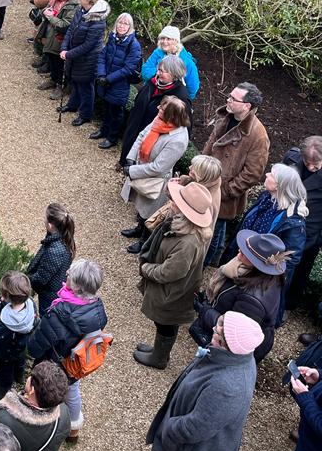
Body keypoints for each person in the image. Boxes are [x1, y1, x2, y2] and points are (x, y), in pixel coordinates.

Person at [146, 310, 264, 451]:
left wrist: (169, 426)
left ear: (232, 347)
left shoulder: (228, 386)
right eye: (220, 325)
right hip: (200, 448)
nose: (214, 331)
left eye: (220, 335)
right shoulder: (239, 358)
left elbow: (195, 428)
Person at [133, 181, 213, 369]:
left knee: (165, 323)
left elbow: (169, 272)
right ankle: (158, 351)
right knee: (164, 323)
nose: (171, 202)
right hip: (171, 291)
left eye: (176, 202)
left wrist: (146, 269)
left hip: (172, 293)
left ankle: (160, 358)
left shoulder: (188, 242)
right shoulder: (182, 227)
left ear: (186, 213)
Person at [27, 258, 107, 440]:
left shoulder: (62, 313)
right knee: (72, 391)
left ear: (78, 288)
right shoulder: (97, 307)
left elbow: (36, 346)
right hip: (75, 363)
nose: (66, 274)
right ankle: (73, 427)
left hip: (57, 362)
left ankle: (43, 425)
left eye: (70, 274)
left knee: (44, 388)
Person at [226, 163, 308, 325]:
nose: (266, 175)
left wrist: (262, 270)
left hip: (258, 273)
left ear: (279, 185)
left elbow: (291, 258)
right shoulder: (267, 198)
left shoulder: (294, 222)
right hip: (243, 256)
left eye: (271, 174)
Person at [191, 229, 288, 362]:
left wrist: (204, 309)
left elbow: (231, 331)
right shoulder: (258, 274)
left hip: (232, 351)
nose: (239, 251)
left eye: (245, 253)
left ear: (257, 263)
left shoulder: (252, 300)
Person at [202, 82, 270, 267]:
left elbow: (252, 174)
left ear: (247, 106)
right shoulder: (225, 116)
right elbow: (210, 144)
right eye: (229, 96)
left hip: (223, 196)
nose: (228, 100)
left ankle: (203, 267)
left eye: (233, 98)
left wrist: (224, 192)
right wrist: (200, 167)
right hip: (205, 183)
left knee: (213, 234)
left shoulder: (258, 135)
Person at [121, 97, 191, 256]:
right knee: (140, 206)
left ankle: (144, 240)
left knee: (150, 212)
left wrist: (132, 171)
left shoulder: (178, 140)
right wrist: (131, 158)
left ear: (172, 117)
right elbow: (142, 136)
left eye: (162, 109)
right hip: (141, 168)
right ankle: (139, 229)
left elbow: (158, 167)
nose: (158, 109)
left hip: (155, 179)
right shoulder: (161, 119)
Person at [119, 56, 192, 167]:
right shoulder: (153, 82)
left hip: (152, 140)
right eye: (158, 69)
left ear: (174, 73)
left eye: (162, 71)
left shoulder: (180, 97)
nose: (158, 73)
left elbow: (184, 126)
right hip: (136, 127)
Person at [57, 0, 110, 124]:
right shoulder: (81, 10)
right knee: (75, 81)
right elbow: (70, 30)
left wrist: (68, 53)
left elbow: (88, 46)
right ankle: (72, 105)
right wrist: (64, 47)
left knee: (86, 86)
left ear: (89, 0)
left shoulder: (98, 21)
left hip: (88, 59)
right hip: (75, 55)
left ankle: (85, 115)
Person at [93, 12, 142, 149]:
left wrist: (109, 78)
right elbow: (103, 56)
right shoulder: (112, 38)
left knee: (116, 112)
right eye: (120, 22)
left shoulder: (134, 45)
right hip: (106, 81)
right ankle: (103, 130)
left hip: (119, 84)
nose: (122, 26)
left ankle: (112, 138)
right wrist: (101, 74)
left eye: (125, 23)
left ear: (130, 27)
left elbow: (129, 69)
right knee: (106, 107)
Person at [0, 271, 38, 400]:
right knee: (20, 359)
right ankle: (19, 376)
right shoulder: (30, 304)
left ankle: (2, 390)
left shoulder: (7, 322)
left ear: (7, 296)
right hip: (22, 344)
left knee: (5, 369)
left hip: (7, 350)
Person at [284, 136, 322, 311]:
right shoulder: (292, 159)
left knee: (300, 271)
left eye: (316, 164)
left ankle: (288, 304)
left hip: (310, 232)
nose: (311, 168)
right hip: (287, 222)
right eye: (307, 163)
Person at [34, 0, 84, 89]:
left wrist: (50, 17)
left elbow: (66, 25)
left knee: (59, 62)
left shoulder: (75, 3)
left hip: (60, 36)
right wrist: (47, 11)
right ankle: (52, 79)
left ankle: (59, 86)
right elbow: (51, 7)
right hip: (51, 32)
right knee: (51, 57)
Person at [26, 203, 76, 315]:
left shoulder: (54, 251)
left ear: (50, 225)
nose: (43, 220)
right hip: (57, 286)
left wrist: (24, 279)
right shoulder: (64, 236)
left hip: (50, 295)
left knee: (47, 319)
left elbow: (41, 279)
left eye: (45, 218)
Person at [141, 26, 200, 99]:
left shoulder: (186, 62)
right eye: (162, 38)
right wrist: (161, 72)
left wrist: (183, 102)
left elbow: (193, 87)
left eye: (168, 39)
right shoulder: (157, 52)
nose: (164, 42)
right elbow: (145, 72)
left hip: (171, 99)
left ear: (176, 41)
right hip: (152, 93)